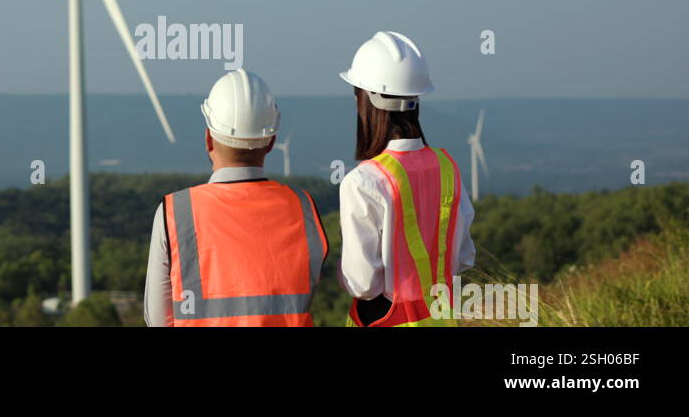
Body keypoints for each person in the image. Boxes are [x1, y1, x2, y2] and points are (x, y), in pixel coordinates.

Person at [144, 68, 328, 327]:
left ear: (208, 139)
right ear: (272, 142)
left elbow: (157, 319)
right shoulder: (303, 207)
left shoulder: (176, 212)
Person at [337, 31, 476, 326]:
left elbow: (362, 284)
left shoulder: (364, 181)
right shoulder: (448, 167)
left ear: (364, 99)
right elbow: (463, 258)